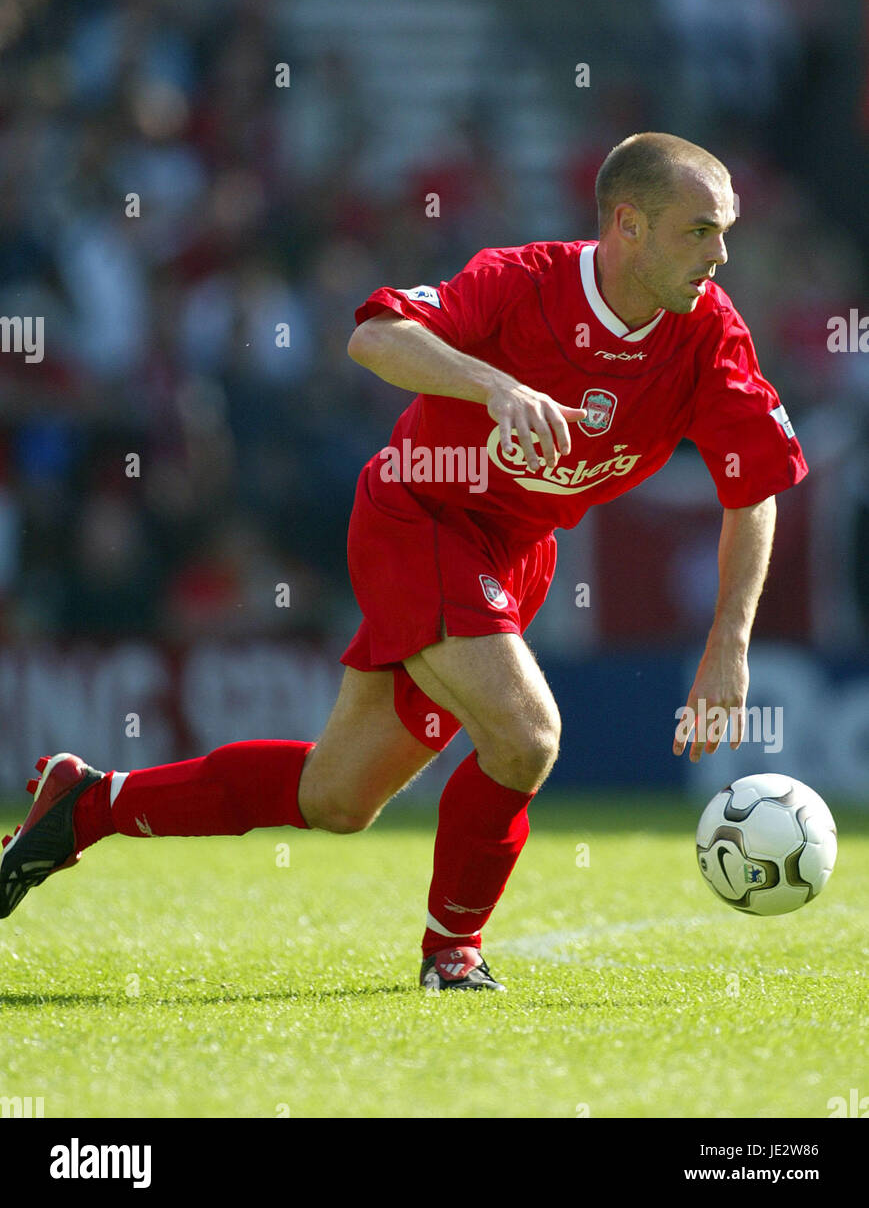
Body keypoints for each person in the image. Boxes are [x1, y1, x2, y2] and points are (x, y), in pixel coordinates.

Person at [0, 133, 808, 990]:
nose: (719, 256)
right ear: (627, 225)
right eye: (699, 232)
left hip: (518, 551)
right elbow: (376, 339)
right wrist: (491, 384)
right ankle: (452, 953)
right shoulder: (518, 280)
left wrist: (728, 640)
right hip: (421, 513)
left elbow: (750, 484)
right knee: (526, 736)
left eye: (724, 232)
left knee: (336, 797)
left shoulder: (708, 334)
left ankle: (86, 804)